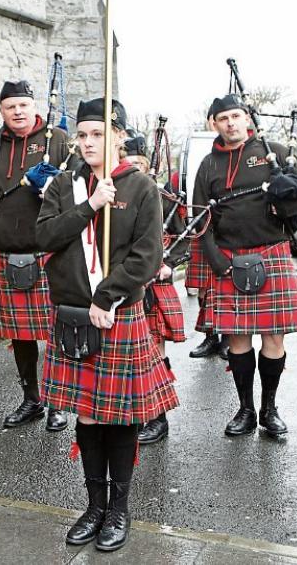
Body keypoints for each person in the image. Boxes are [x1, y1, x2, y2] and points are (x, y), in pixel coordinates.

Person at [37, 98, 178, 552]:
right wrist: (91, 206)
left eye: (98, 134)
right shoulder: (64, 185)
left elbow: (147, 255)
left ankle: (119, 507)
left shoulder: (141, 188)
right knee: (87, 412)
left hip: (116, 312)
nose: (88, 142)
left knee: (120, 417)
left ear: (117, 135)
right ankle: (94, 506)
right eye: (82, 135)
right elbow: (45, 237)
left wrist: (108, 295)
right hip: (72, 316)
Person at [192, 94, 297, 438]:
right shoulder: (208, 165)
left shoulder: (271, 150)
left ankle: (269, 409)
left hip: (271, 253)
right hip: (230, 257)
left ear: (246, 118)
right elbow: (201, 216)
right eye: (223, 118)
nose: (230, 123)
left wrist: (287, 202)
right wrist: (216, 260)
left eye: (236, 116)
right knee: (238, 341)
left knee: (274, 339)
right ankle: (245, 408)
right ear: (214, 123)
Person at [0, 80, 70, 431]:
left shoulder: (57, 140)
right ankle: (32, 399)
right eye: (11, 106)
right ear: (2, 110)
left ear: (34, 106)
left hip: (50, 252)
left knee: (55, 333)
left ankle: (57, 401)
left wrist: (56, 185)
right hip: (6, 254)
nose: (18, 111)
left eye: (24, 105)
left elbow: (79, 184)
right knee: (20, 335)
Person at [125, 135, 188, 444]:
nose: (134, 169)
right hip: (127, 283)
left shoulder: (164, 198)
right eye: (129, 164)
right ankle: (136, 414)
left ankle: (158, 418)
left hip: (156, 287)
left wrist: (169, 264)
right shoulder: (115, 195)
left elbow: (185, 237)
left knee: (154, 353)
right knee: (130, 355)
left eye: (139, 164)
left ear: (148, 167)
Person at [188, 103, 229, 360]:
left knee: (226, 288)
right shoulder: (205, 155)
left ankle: (227, 338)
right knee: (204, 288)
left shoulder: (239, 151)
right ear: (212, 123)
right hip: (206, 227)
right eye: (217, 119)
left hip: (229, 232)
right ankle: (210, 337)